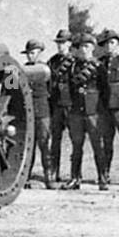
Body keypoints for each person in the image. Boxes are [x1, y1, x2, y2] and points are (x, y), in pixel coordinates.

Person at [61, 32, 105, 191]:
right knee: (76, 146)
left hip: (93, 112)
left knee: (97, 146)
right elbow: (70, 88)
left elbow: (104, 90)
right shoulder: (74, 66)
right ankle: (75, 178)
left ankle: (102, 177)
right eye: (81, 47)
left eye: (87, 47)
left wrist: (101, 112)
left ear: (92, 48)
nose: (84, 50)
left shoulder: (99, 66)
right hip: (76, 112)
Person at [96, 29, 119, 191]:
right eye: (106, 44)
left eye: (112, 43)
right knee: (106, 142)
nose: (109, 46)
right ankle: (105, 174)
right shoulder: (99, 62)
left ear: (117, 44)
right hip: (104, 105)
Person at [21, 39, 53, 189]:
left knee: (45, 144)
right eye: (28, 53)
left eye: (33, 53)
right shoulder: (20, 69)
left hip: (43, 111)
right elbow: (10, 88)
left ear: (39, 53)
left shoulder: (45, 69)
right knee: (28, 146)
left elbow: (52, 91)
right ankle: (25, 178)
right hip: (27, 112)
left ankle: (49, 177)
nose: (30, 56)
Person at [47, 29, 74, 182]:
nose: (60, 46)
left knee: (75, 141)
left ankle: (74, 174)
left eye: (63, 43)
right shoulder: (52, 61)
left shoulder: (75, 61)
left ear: (69, 44)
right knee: (55, 139)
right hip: (57, 104)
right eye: (58, 43)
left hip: (71, 104)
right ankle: (53, 171)